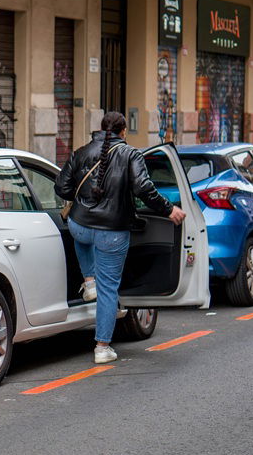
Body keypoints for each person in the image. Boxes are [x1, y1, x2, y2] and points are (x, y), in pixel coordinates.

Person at [54, 111, 187, 364]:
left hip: (79, 225)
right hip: (112, 232)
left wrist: (84, 200)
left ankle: (88, 280)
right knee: (108, 290)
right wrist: (169, 209)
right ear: (123, 131)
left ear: (101, 129)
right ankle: (102, 347)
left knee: (82, 234)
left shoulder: (80, 152)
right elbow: (143, 188)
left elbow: (62, 188)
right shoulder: (130, 155)